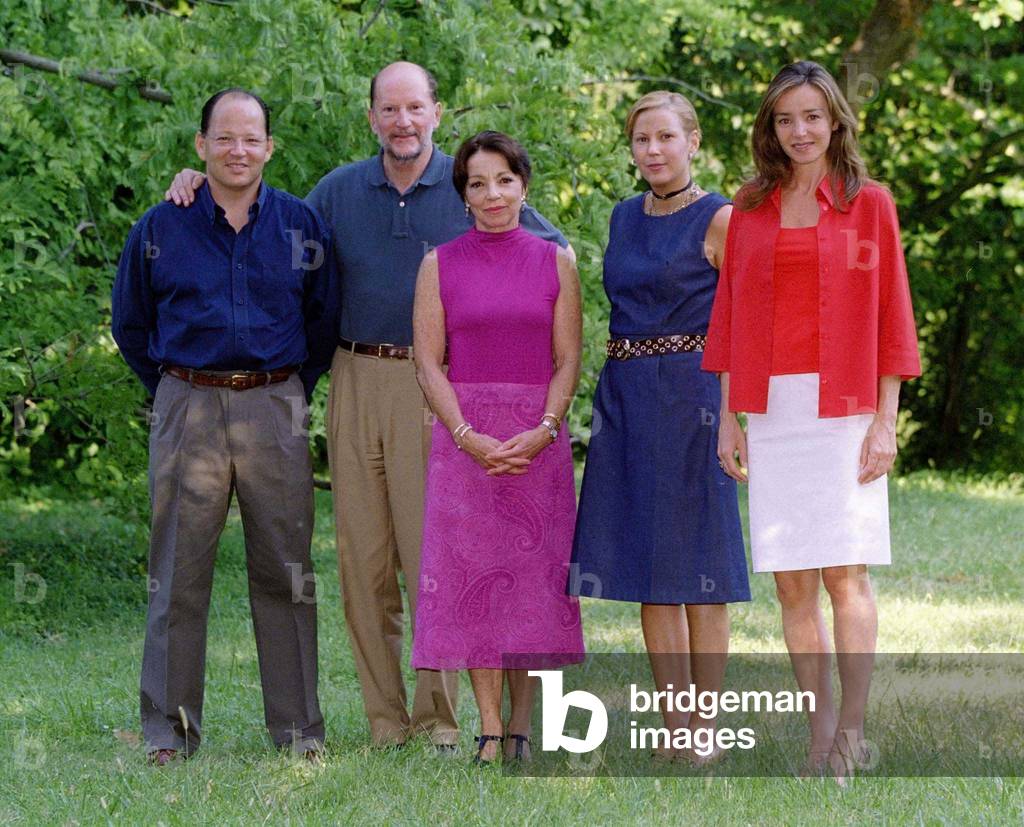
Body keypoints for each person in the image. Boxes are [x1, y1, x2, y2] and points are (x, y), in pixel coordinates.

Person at [165, 62, 566, 750]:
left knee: (430, 554)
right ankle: (386, 721)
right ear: (372, 117)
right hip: (355, 376)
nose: (403, 121)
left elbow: (545, 246)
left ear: (437, 111)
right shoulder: (339, 191)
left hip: (437, 385)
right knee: (363, 560)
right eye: (389, 109)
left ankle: (438, 719)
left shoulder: (468, 183)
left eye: (415, 107)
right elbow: (264, 218)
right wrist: (200, 185)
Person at [702, 60, 921, 782]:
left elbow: (893, 313)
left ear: (834, 121)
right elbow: (729, 312)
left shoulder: (871, 203)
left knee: (845, 572)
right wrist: (732, 417)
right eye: (785, 119)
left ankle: (853, 730)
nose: (799, 131)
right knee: (792, 584)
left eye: (812, 117)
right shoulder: (751, 205)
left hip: (845, 407)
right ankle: (819, 733)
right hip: (771, 409)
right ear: (771, 126)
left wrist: (885, 420)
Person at [112, 88, 337, 764]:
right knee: (177, 574)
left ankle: (298, 731)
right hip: (189, 403)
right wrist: (178, 391)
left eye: (252, 138)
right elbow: (130, 322)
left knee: (287, 572)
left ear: (269, 146)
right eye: (225, 137)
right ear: (201, 146)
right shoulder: (161, 226)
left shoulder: (301, 224)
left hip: (276, 404)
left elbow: (324, 321)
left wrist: (289, 390)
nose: (239, 150)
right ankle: (169, 733)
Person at [568, 91, 751, 763]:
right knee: (650, 563)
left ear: (693, 142)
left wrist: (733, 415)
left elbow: (741, 327)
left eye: (666, 137)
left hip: (692, 394)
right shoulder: (622, 216)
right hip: (625, 396)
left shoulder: (721, 217)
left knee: (698, 560)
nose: (653, 149)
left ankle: (705, 725)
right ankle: (675, 726)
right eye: (642, 138)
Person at [410, 130, 584, 764]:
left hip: (537, 438)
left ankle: (522, 727)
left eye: (504, 181)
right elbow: (428, 363)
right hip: (465, 441)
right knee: (474, 582)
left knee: (533, 588)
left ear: (524, 186)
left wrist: (544, 427)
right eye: (477, 183)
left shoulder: (554, 259)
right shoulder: (439, 264)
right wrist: (465, 435)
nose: (492, 194)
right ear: (463, 194)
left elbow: (569, 359)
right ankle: (486, 729)